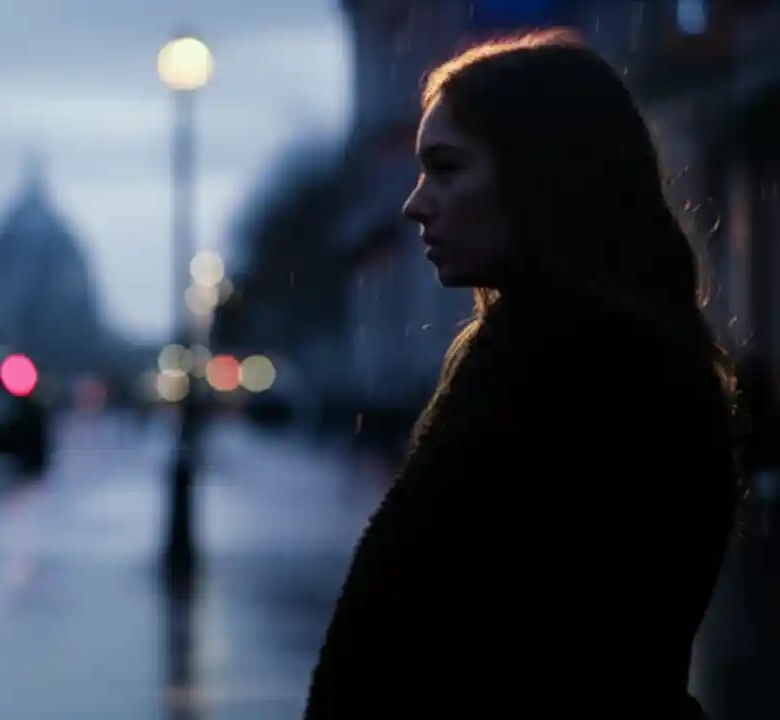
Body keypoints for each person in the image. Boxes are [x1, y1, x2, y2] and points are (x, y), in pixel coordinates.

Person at [304, 29, 738, 719]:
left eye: (446, 169)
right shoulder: (571, 358)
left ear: (541, 173)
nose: (415, 204)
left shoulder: (584, 380)